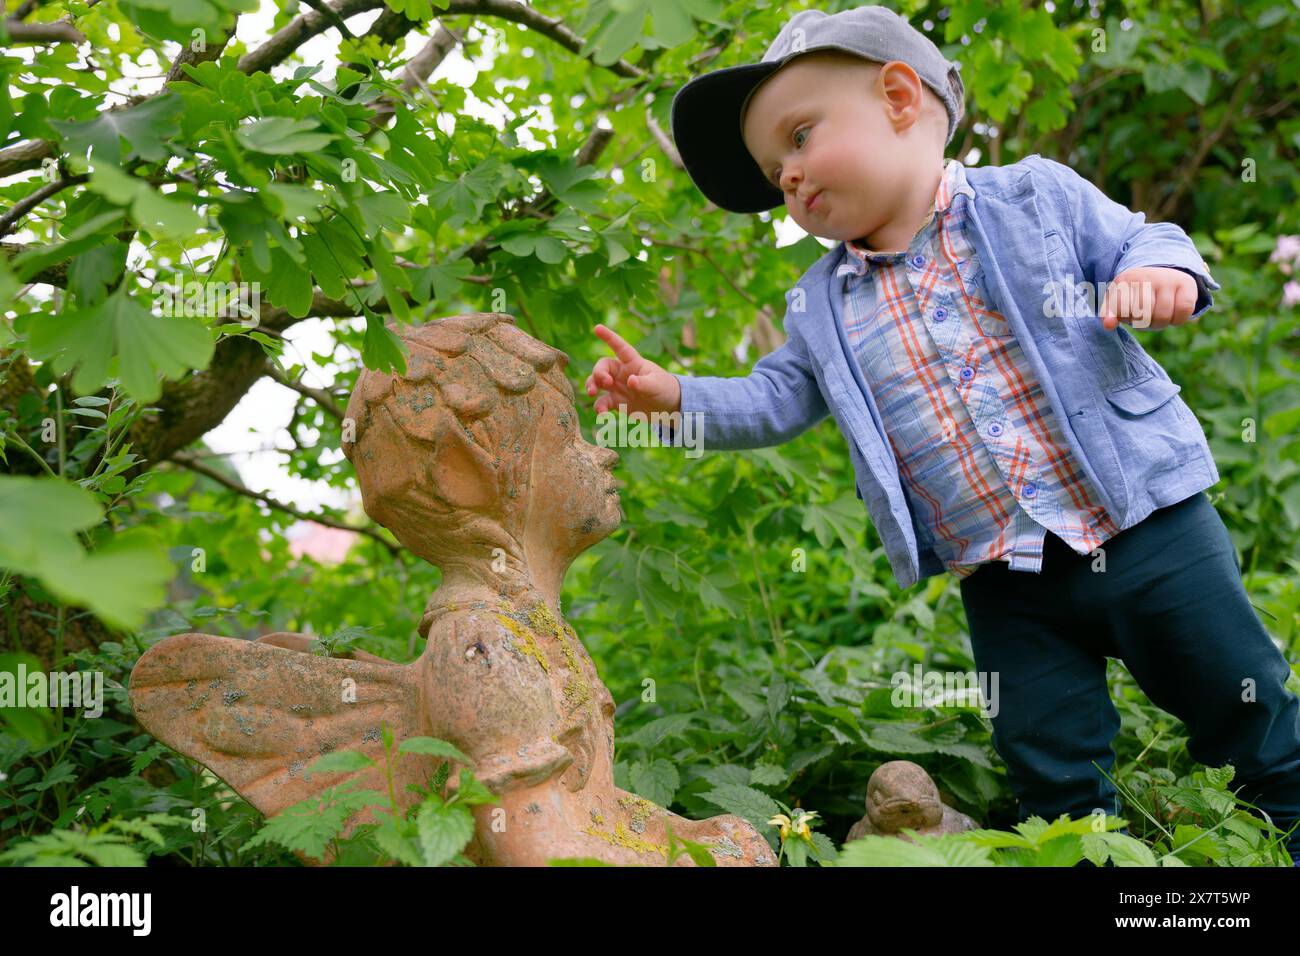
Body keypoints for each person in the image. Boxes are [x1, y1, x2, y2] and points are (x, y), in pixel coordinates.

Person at [586, 5, 1300, 865]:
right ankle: (1089, 857)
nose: (791, 177)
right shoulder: (821, 303)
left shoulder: (1032, 195)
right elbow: (775, 398)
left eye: (801, 136)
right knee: (1045, 752)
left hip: (1147, 525)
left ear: (897, 97)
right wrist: (674, 395)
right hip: (1004, 578)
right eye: (776, 172)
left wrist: (1157, 274)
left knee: (1240, 698)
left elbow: (1142, 237)